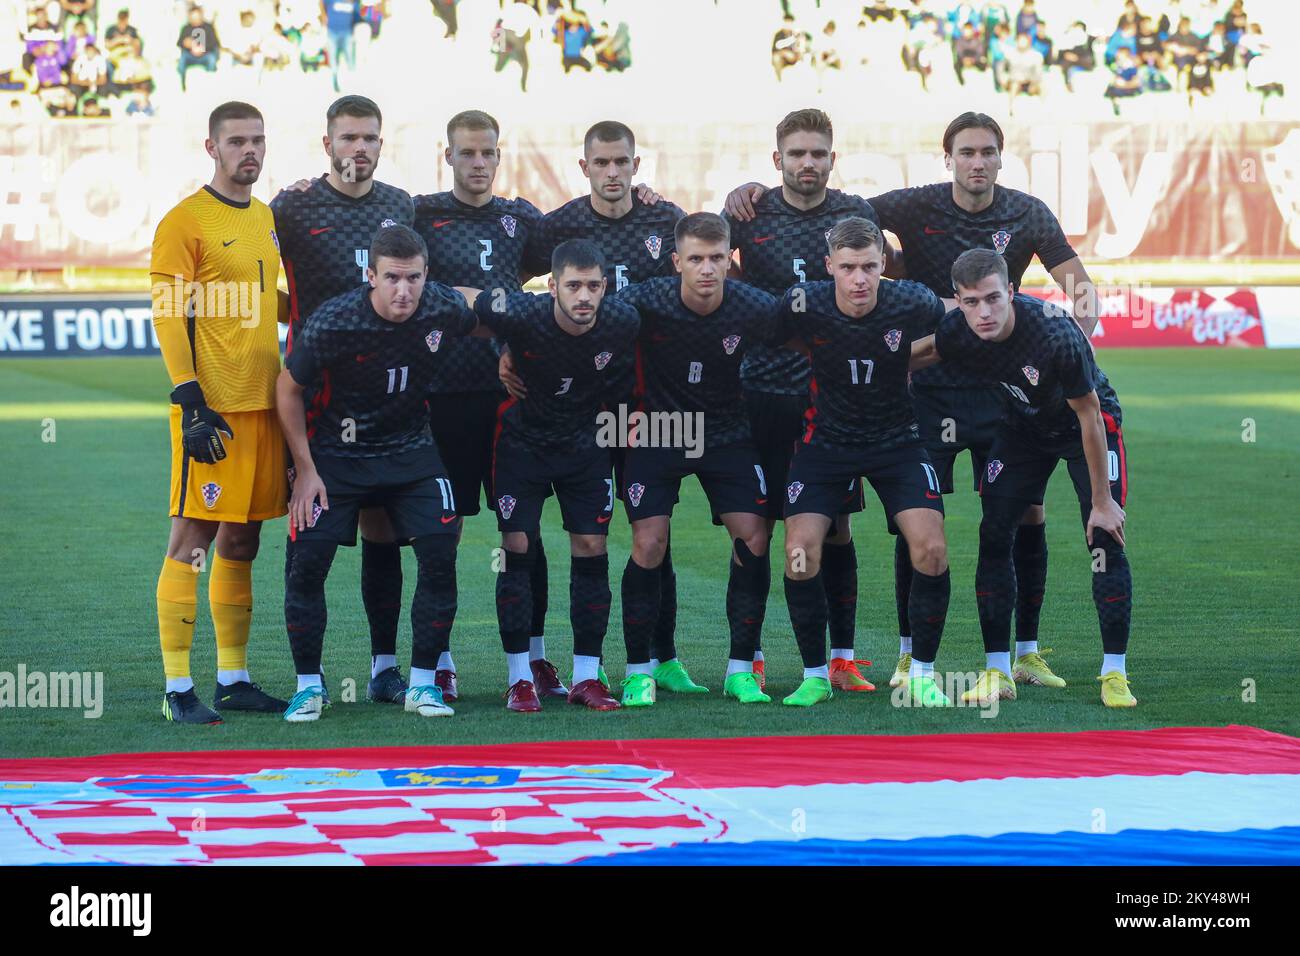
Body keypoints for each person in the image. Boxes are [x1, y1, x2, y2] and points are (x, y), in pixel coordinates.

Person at [724, 111, 1100, 692]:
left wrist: (1065, 351)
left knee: (1019, 515)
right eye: (966, 152)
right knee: (866, 529)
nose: (977, 162)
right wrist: (750, 193)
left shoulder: (1024, 213)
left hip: (994, 394)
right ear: (947, 158)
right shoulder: (907, 206)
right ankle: (876, 660)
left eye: (987, 152)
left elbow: (1077, 292)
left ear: (1002, 157)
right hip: (886, 396)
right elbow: (807, 229)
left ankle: (1020, 653)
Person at [502, 121, 690, 693]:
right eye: (602, 163)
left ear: (637, 164)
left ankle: (661, 657)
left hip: (645, 401)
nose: (613, 172)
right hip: (575, 403)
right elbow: (515, 287)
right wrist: (511, 348)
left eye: (621, 162)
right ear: (584, 167)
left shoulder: (665, 218)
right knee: (538, 536)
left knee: (650, 525)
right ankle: (545, 661)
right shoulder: (558, 225)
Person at [912, 248, 1135, 708]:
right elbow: (925, 352)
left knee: (1104, 537)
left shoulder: (1055, 335)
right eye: (971, 302)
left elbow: (1090, 416)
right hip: (1024, 429)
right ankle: (998, 671)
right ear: (958, 301)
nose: (984, 312)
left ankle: (1115, 673)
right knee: (994, 533)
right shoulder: (959, 329)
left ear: (1011, 291)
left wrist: (1101, 501)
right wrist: (849, 362)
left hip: (1085, 428)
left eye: (993, 298)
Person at [276, 225, 481, 722]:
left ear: (427, 275)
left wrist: (513, 351)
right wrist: (305, 470)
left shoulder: (441, 305)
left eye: (413, 278)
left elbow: (487, 318)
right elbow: (287, 389)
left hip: (411, 450)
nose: (403, 290)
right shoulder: (335, 321)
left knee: (440, 552)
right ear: (371, 275)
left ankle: (422, 685)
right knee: (308, 561)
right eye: (392, 278)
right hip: (337, 454)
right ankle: (308, 687)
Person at [720, 108, 882, 693]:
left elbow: (880, 279)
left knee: (835, 528)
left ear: (832, 159)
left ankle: (841, 659)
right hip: (758, 393)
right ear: (777, 159)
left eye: (817, 153)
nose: (807, 163)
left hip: (830, 398)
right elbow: (709, 270)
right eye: (797, 153)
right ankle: (749, 661)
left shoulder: (855, 215)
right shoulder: (747, 213)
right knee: (754, 532)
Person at [270, 95, 417, 705]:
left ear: (382, 144)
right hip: (315, 400)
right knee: (310, 538)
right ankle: (309, 682)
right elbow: (257, 276)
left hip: (384, 400)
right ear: (327, 144)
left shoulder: (401, 205)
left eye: (370, 138)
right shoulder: (292, 207)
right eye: (349, 137)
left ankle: (385, 668)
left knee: (382, 531)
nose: (360, 148)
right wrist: (299, 320)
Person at [776, 218, 954, 708]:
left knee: (931, 550)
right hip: (825, 444)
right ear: (829, 265)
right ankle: (815, 675)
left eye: (870, 267)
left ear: (883, 265)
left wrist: (897, 359)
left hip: (897, 442)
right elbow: (771, 333)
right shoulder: (803, 302)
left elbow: (955, 328)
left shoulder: (911, 300)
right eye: (848, 268)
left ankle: (922, 676)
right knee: (799, 554)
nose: (859, 279)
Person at [149, 101, 289, 724]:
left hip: (264, 405)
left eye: (257, 140)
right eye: (236, 141)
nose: (249, 150)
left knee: (243, 537)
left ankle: (233, 678)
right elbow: (168, 312)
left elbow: (262, 296)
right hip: (213, 411)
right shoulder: (185, 221)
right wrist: (190, 400)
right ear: (212, 148)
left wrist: (318, 310)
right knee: (192, 539)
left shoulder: (264, 216)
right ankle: (177, 688)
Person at [412, 110, 553, 702]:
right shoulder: (419, 214)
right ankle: (440, 661)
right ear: (447, 155)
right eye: (466, 152)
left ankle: (533, 661)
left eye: (487, 152)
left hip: (511, 400)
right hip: (440, 398)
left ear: (499, 155)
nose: (477, 162)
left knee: (522, 533)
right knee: (441, 536)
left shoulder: (523, 220)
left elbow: (582, 251)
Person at [460, 240, 635, 712]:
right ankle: (519, 679)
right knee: (516, 547)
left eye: (593, 286)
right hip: (523, 445)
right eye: (573, 286)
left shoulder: (623, 319)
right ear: (552, 286)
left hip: (585, 443)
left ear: (605, 287)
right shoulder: (522, 312)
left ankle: (587, 678)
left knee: (592, 546)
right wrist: (503, 345)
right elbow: (465, 297)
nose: (584, 296)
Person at [616, 214, 781, 706]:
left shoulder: (755, 306)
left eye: (715, 258)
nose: (706, 269)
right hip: (658, 430)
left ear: (730, 260)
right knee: (649, 543)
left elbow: (811, 336)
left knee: (753, 538)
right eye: (695, 259)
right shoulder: (644, 301)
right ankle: (640, 671)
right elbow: (586, 325)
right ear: (676, 262)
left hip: (726, 431)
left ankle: (740, 670)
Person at [493, 0, 537, 91]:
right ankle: (522, 84)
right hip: (512, 41)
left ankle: (523, 84)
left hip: (515, 41)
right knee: (523, 64)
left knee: (525, 65)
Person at [177, 5, 220, 92]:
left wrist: (202, 47)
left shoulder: (208, 27)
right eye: (193, 17)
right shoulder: (186, 28)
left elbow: (215, 43)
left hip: (205, 55)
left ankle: (211, 85)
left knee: (211, 59)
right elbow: (179, 43)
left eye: (197, 17)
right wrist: (186, 43)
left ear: (201, 16)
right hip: (190, 55)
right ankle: (182, 85)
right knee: (182, 60)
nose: (195, 19)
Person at [322, 0, 359, 92]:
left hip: (347, 32)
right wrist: (323, 15)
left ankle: (352, 82)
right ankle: (335, 80)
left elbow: (356, 15)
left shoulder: (354, 2)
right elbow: (321, 2)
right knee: (333, 57)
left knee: (350, 57)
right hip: (332, 32)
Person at [1106, 46, 1142, 114]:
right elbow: (1114, 79)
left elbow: (1136, 82)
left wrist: (1125, 84)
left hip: (1129, 88)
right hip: (1120, 87)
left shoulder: (1131, 67)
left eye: (1120, 55)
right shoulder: (1117, 67)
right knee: (1112, 89)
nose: (1117, 56)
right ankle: (1116, 105)